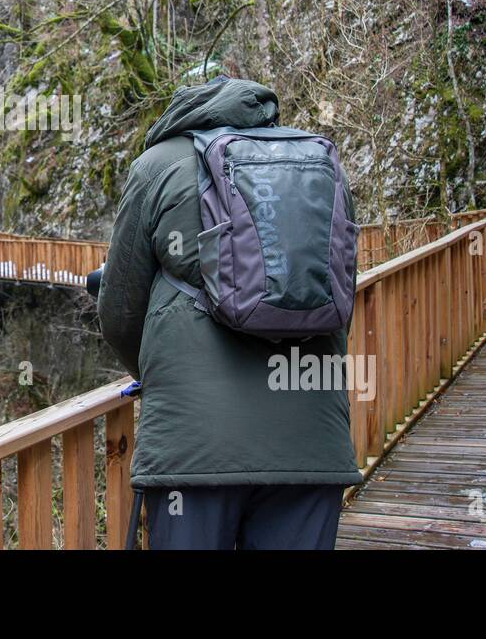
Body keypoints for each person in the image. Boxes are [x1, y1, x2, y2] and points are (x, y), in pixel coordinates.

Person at [97, 76, 361, 549]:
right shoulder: (318, 163)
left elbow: (119, 310)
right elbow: (339, 293)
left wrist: (157, 374)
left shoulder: (158, 165)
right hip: (311, 442)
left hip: (194, 450)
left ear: (182, 112)